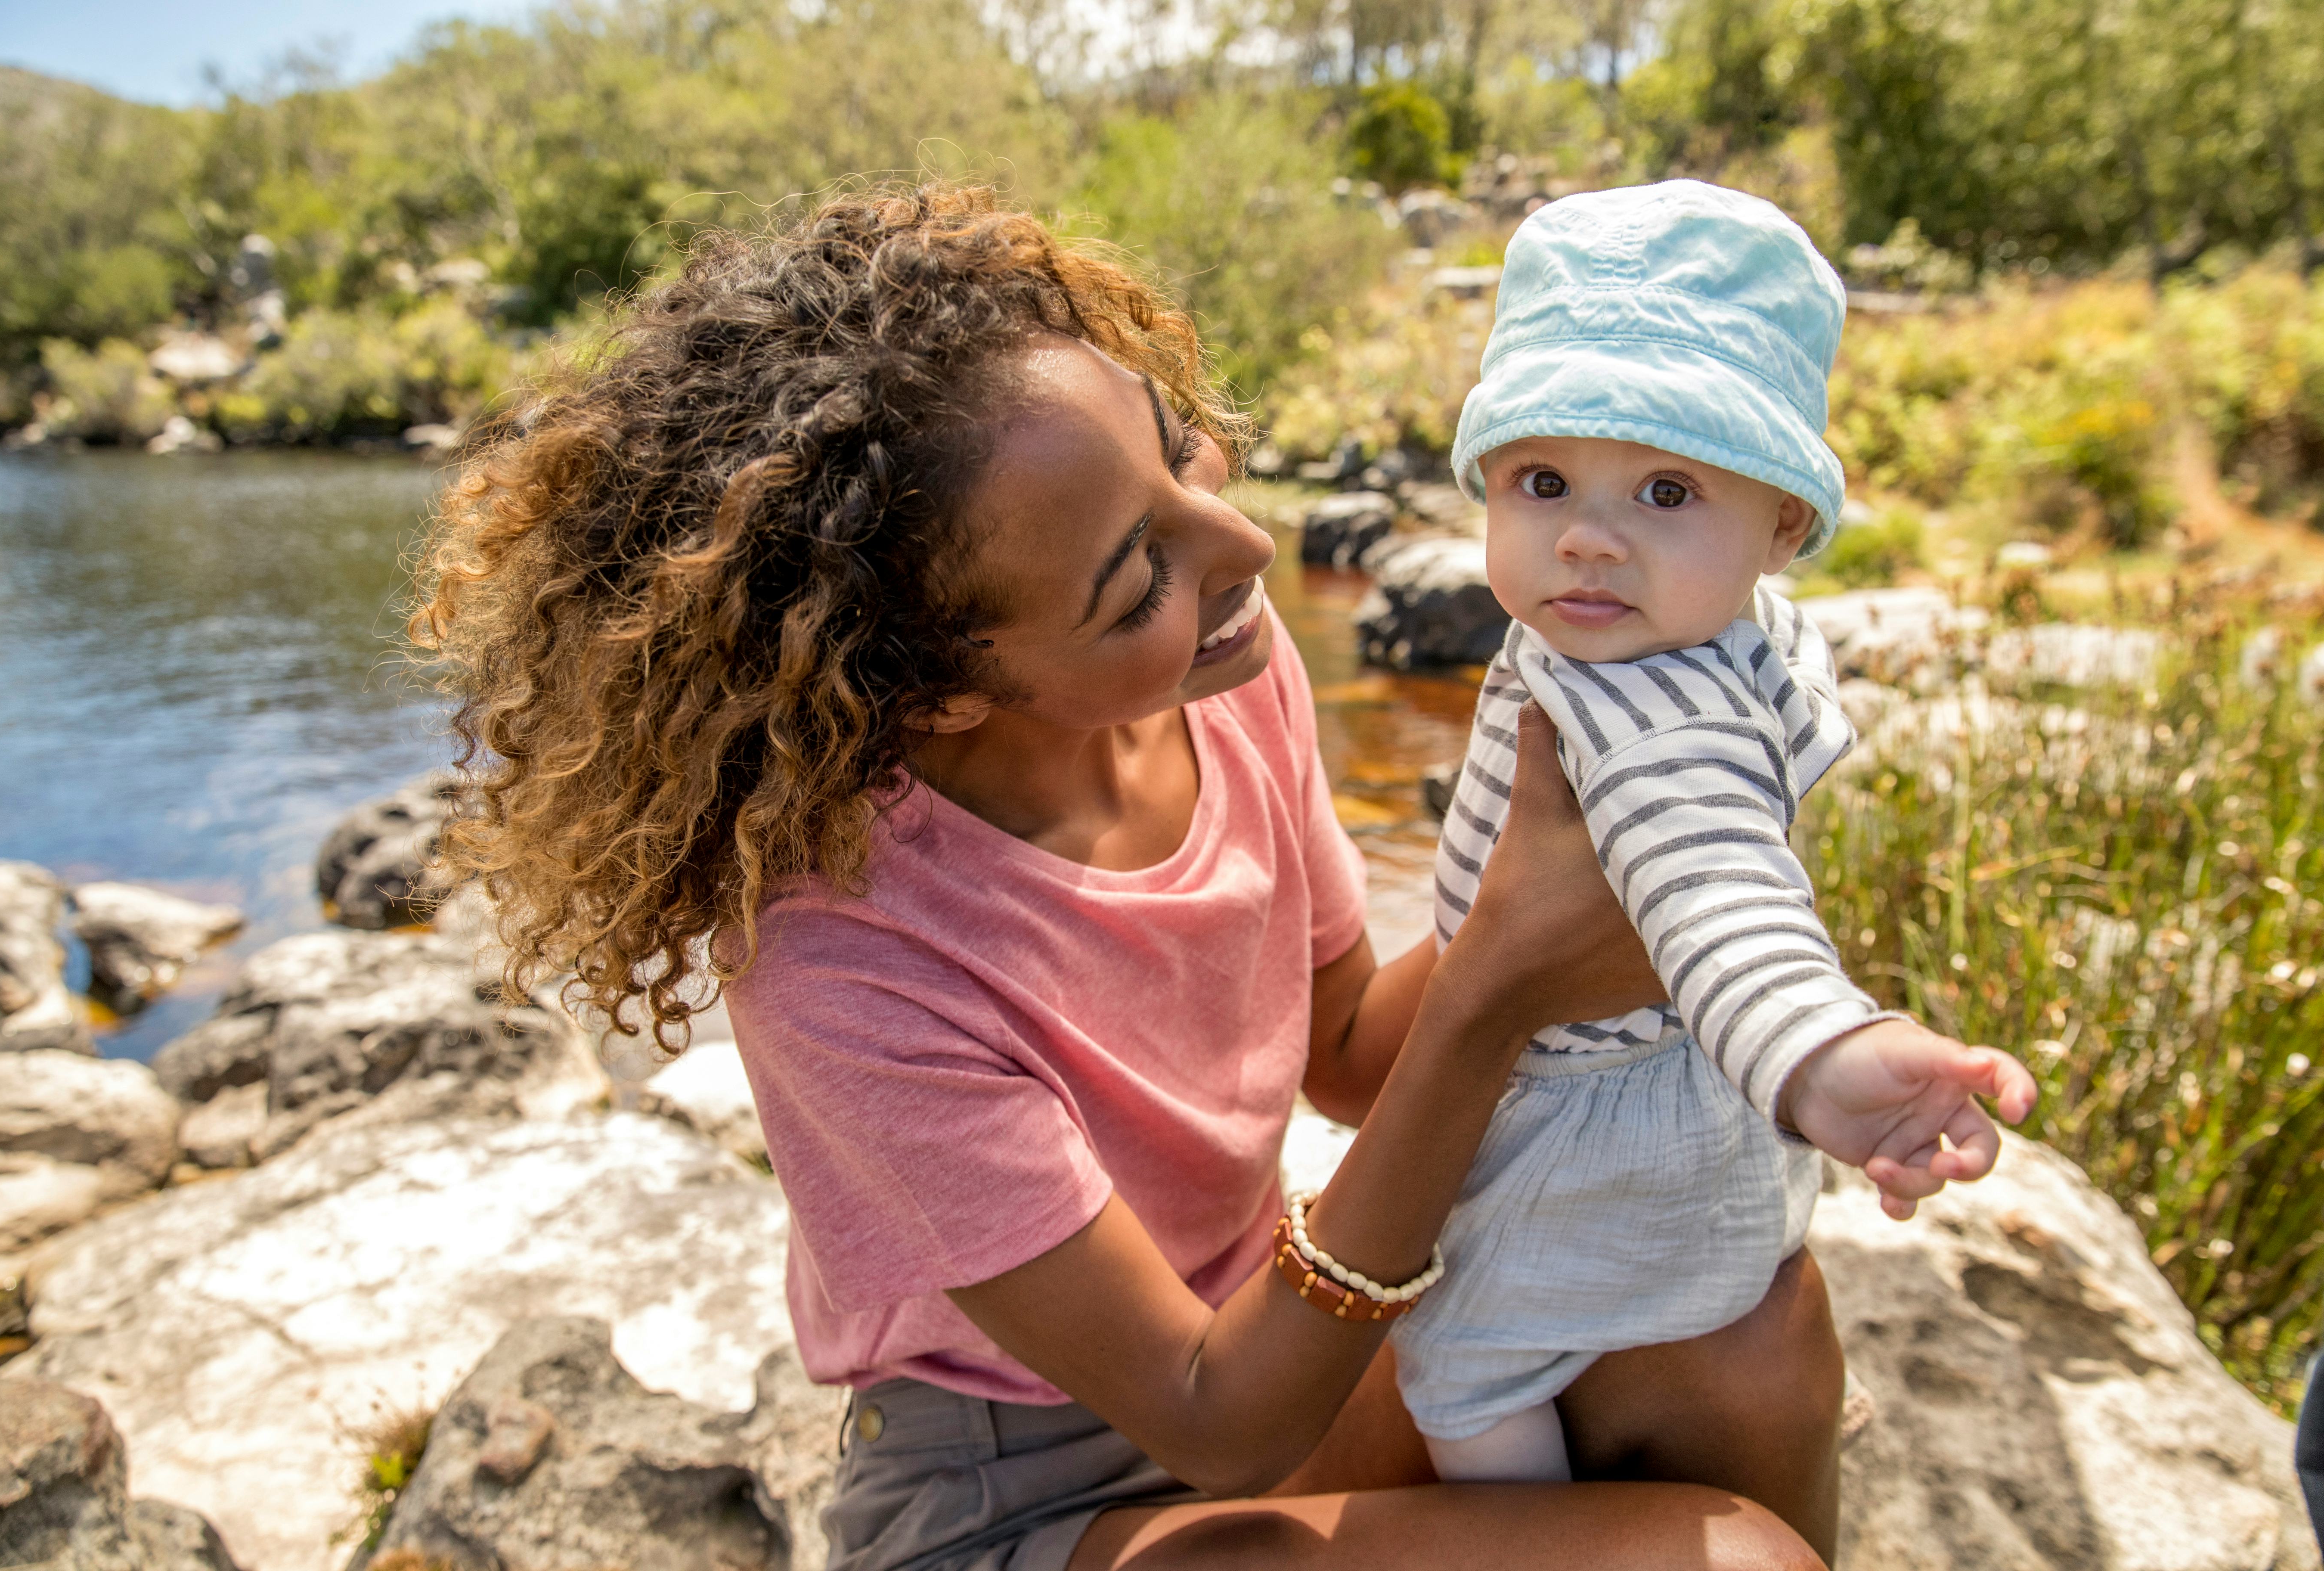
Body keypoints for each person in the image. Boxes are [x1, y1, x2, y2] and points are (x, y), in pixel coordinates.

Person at [409, 182, 2030, 1571]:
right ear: (938, 692)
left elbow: (1340, 1055)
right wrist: (1502, 988)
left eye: (1181, 457)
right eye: (1139, 580)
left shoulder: (1230, 677)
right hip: (1044, 1500)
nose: (1243, 552)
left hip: (1287, 1348)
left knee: (1752, 1337)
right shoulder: (844, 959)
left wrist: (1588, 881)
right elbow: (1218, 1420)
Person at [1397, 180, 2038, 1495]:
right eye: (1544, 477)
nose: (1586, 534)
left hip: (1588, 1113)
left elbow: (1714, 884)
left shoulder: (1630, 690)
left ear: (1783, 525)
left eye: (1669, 488)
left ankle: (1531, 1528)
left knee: (1459, 1366)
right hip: (1686, 1081)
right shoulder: (1725, 623)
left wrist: (1822, 1055)